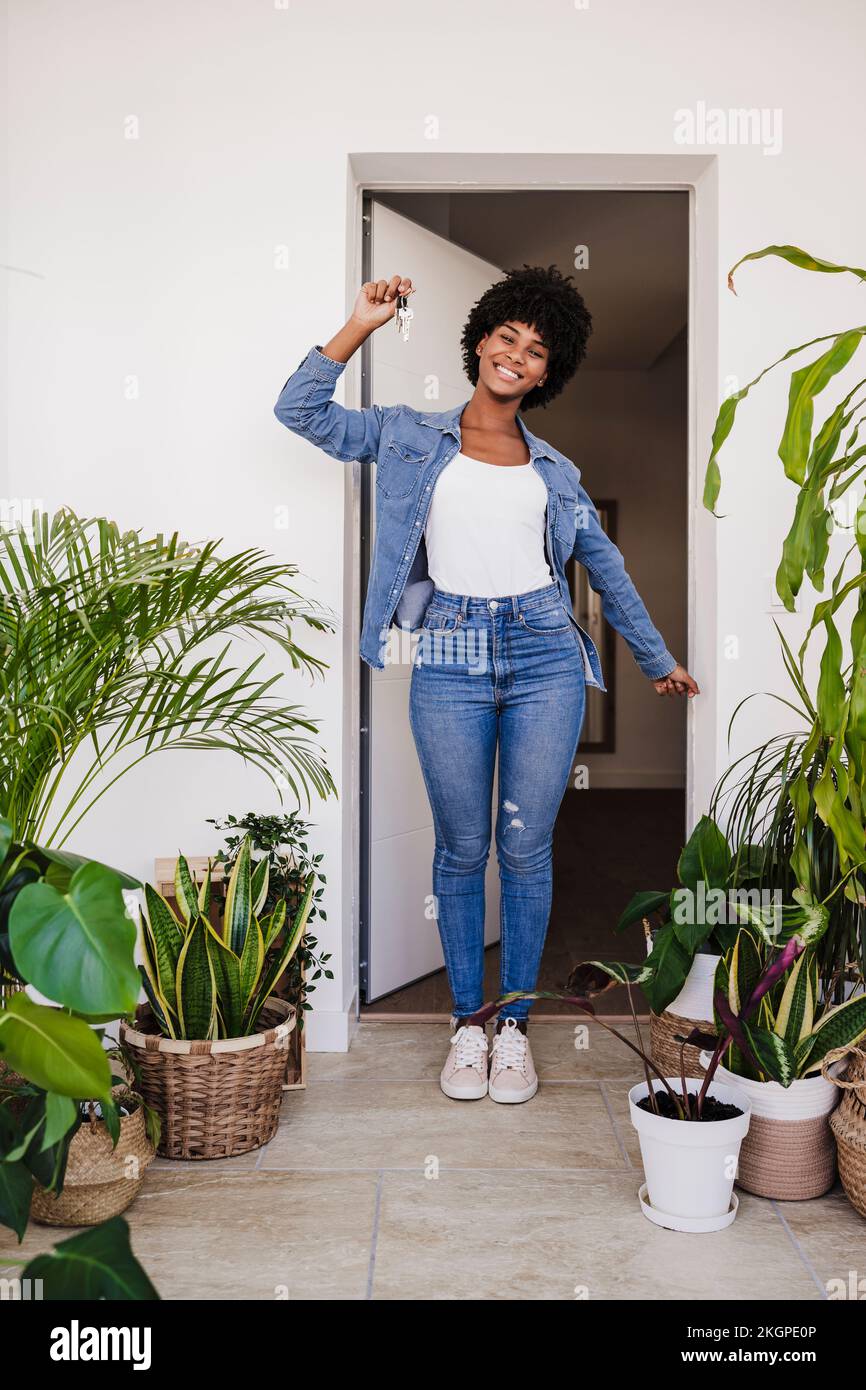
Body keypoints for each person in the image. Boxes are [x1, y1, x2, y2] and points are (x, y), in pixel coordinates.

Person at [274, 265, 699, 1106]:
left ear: (549, 373)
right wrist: (358, 323)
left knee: (527, 851)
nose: (516, 354)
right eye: (507, 337)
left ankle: (514, 1030)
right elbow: (301, 412)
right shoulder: (405, 433)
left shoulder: (558, 472)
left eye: (536, 350)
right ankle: (467, 1025)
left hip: (544, 651)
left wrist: (656, 659)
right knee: (463, 849)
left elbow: (604, 569)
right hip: (451, 651)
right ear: (479, 342)